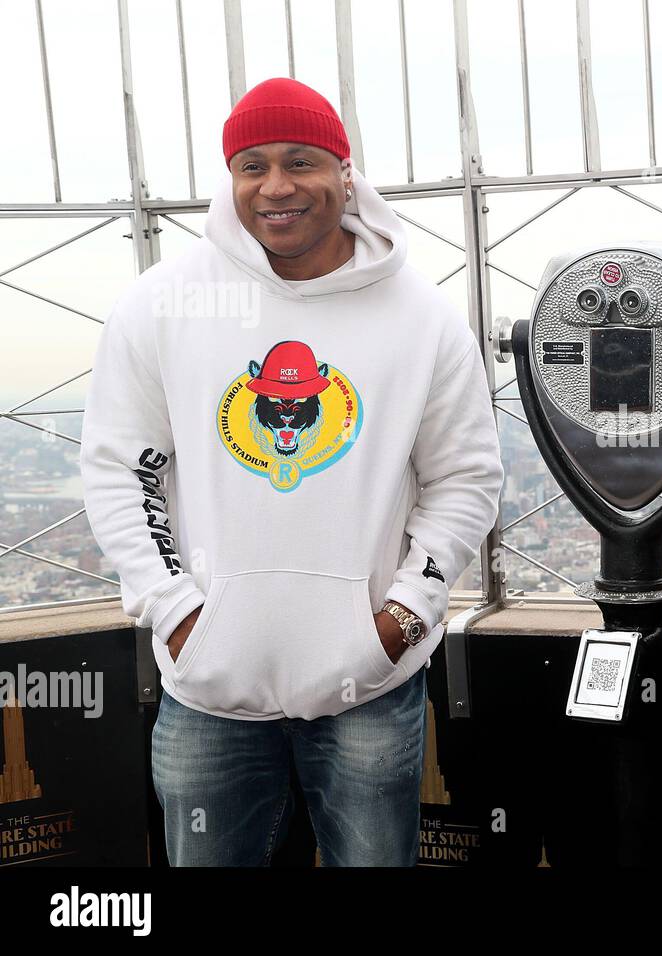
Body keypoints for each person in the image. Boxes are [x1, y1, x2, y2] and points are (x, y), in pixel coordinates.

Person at [80, 77, 504, 866]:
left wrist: (404, 616)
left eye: (300, 162)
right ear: (230, 178)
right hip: (208, 688)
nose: (275, 187)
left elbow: (466, 480)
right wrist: (178, 614)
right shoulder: (160, 305)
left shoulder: (424, 318)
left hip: (370, 687)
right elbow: (119, 470)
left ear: (346, 174)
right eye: (251, 165)